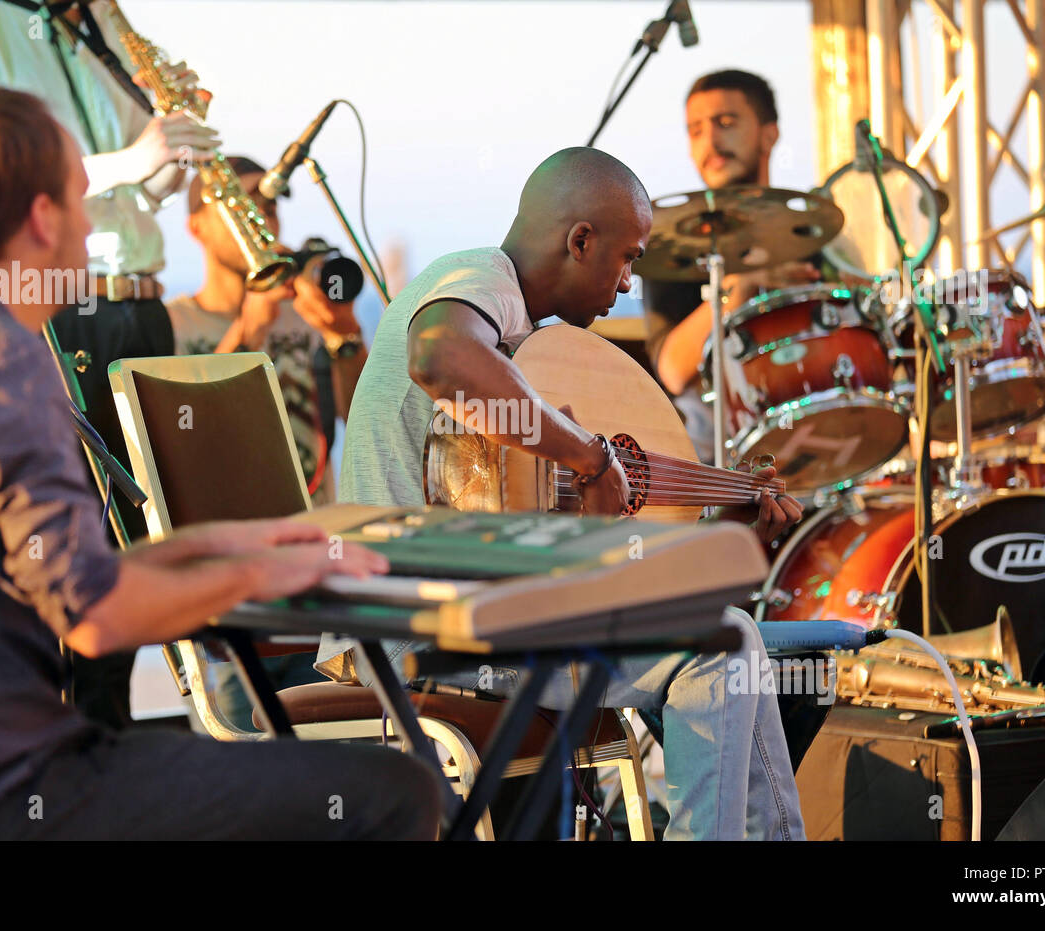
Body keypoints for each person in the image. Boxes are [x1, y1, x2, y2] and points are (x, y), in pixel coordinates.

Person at [0, 86, 439, 841]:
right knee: (394, 790)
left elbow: (65, 568)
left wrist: (231, 545)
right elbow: (94, 615)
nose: (91, 227)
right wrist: (260, 576)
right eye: (82, 201)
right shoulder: (3, 361)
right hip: (8, 795)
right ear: (42, 217)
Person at [328, 146, 805, 840]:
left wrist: (716, 524)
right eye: (627, 257)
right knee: (722, 643)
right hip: (412, 634)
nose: (629, 283)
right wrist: (587, 453)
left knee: (732, 635)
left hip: (475, 620)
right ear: (580, 240)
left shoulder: (528, 342)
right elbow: (438, 356)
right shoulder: (479, 279)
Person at [0, 0, 222, 727]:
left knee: (150, 542)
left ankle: (123, 754)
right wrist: (133, 158)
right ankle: (61, 769)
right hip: (55, 307)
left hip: (138, 306)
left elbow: (137, 196)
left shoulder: (102, 27)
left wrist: (169, 163)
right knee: (72, 560)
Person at [168, 156, 372, 727]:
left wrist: (345, 337)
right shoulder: (174, 324)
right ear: (197, 227)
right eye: (239, 204)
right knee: (244, 770)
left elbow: (361, 418)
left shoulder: (306, 317)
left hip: (317, 568)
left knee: (344, 745)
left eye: (268, 202)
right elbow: (187, 427)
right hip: (230, 584)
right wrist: (251, 328)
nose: (261, 214)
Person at [643, 70, 821, 461]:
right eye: (695, 130)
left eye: (726, 123)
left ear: (769, 135)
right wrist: (741, 287)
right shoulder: (671, 243)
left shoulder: (815, 233)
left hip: (817, 445)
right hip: (711, 465)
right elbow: (673, 369)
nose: (711, 141)